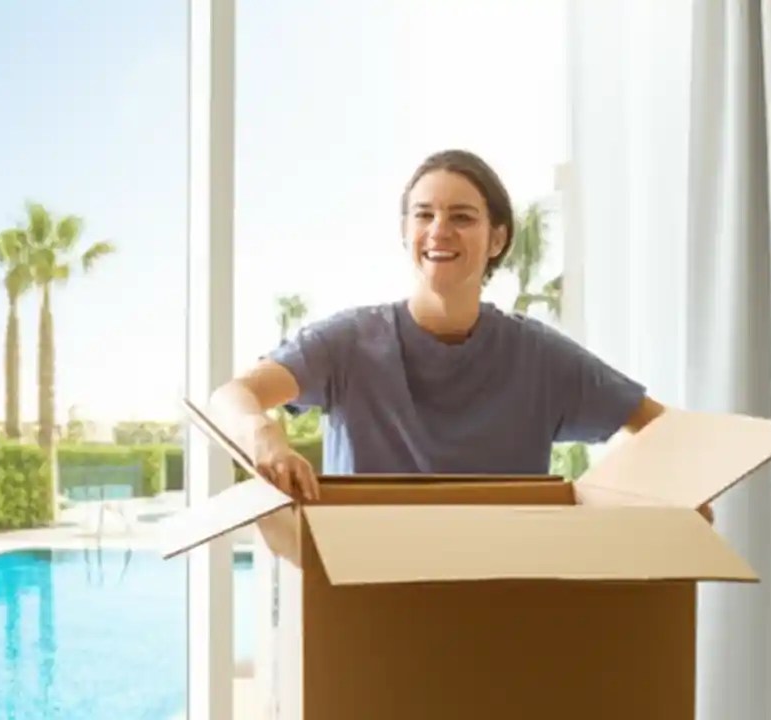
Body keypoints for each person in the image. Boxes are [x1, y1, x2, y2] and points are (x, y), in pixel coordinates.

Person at [207, 148, 711, 519]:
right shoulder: (349, 342)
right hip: (362, 603)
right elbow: (232, 396)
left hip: (500, 602)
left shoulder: (538, 357)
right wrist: (264, 436)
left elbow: (663, 430)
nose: (439, 230)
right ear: (406, 232)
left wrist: (675, 497)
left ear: (497, 239)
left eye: (462, 217)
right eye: (423, 214)